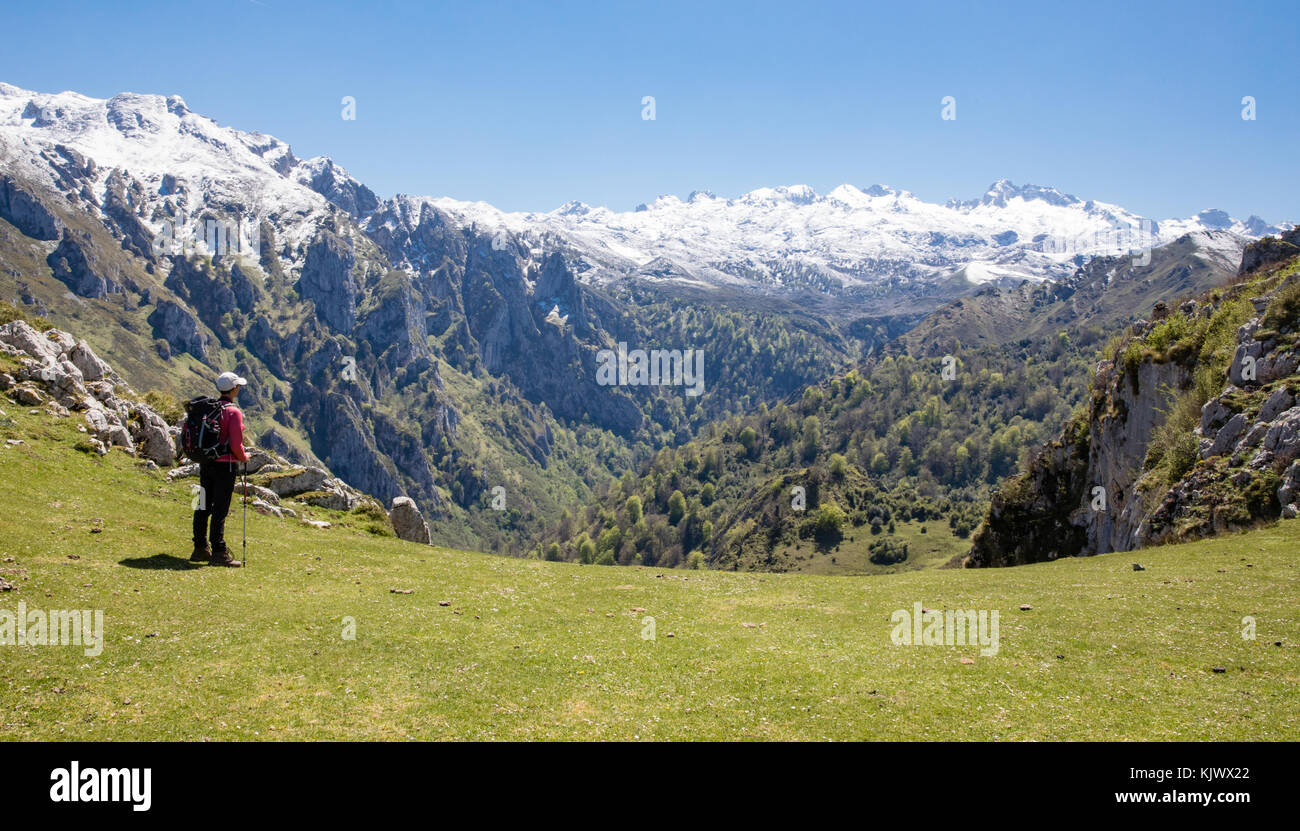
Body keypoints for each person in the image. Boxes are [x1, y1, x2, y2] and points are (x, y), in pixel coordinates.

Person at [191, 372, 248, 567]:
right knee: (220, 508)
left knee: (202, 504)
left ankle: (199, 548)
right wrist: (245, 457)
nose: (238, 388)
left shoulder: (209, 410)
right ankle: (219, 552)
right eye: (238, 386)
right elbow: (236, 446)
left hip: (206, 463)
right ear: (234, 389)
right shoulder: (233, 412)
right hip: (225, 466)